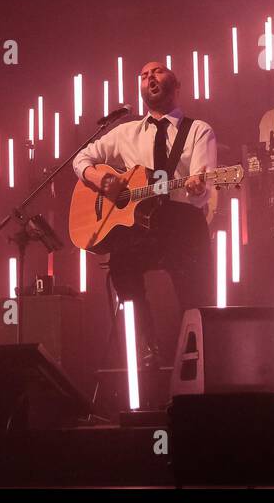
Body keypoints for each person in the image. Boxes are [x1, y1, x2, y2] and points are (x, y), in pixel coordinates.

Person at [73, 61, 217, 367]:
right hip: (142, 228)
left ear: (176, 85)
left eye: (158, 71)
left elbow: (204, 189)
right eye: (143, 74)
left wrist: (196, 188)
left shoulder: (198, 130)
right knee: (122, 266)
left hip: (183, 224)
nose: (150, 76)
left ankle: (197, 361)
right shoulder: (125, 132)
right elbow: (82, 158)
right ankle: (146, 348)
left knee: (197, 300)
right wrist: (103, 180)